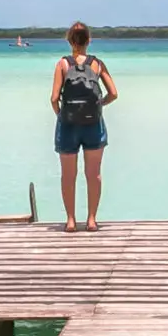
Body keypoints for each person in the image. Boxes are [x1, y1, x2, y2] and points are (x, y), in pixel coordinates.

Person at [49, 21, 118, 232]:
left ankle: (70, 221)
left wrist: (62, 115)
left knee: (68, 175)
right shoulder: (97, 64)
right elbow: (114, 93)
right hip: (93, 124)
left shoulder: (62, 64)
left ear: (70, 40)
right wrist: (99, 105)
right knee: (93, 174)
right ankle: (91, 220)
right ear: (89, 40)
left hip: (68, 125)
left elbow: (53, 98)